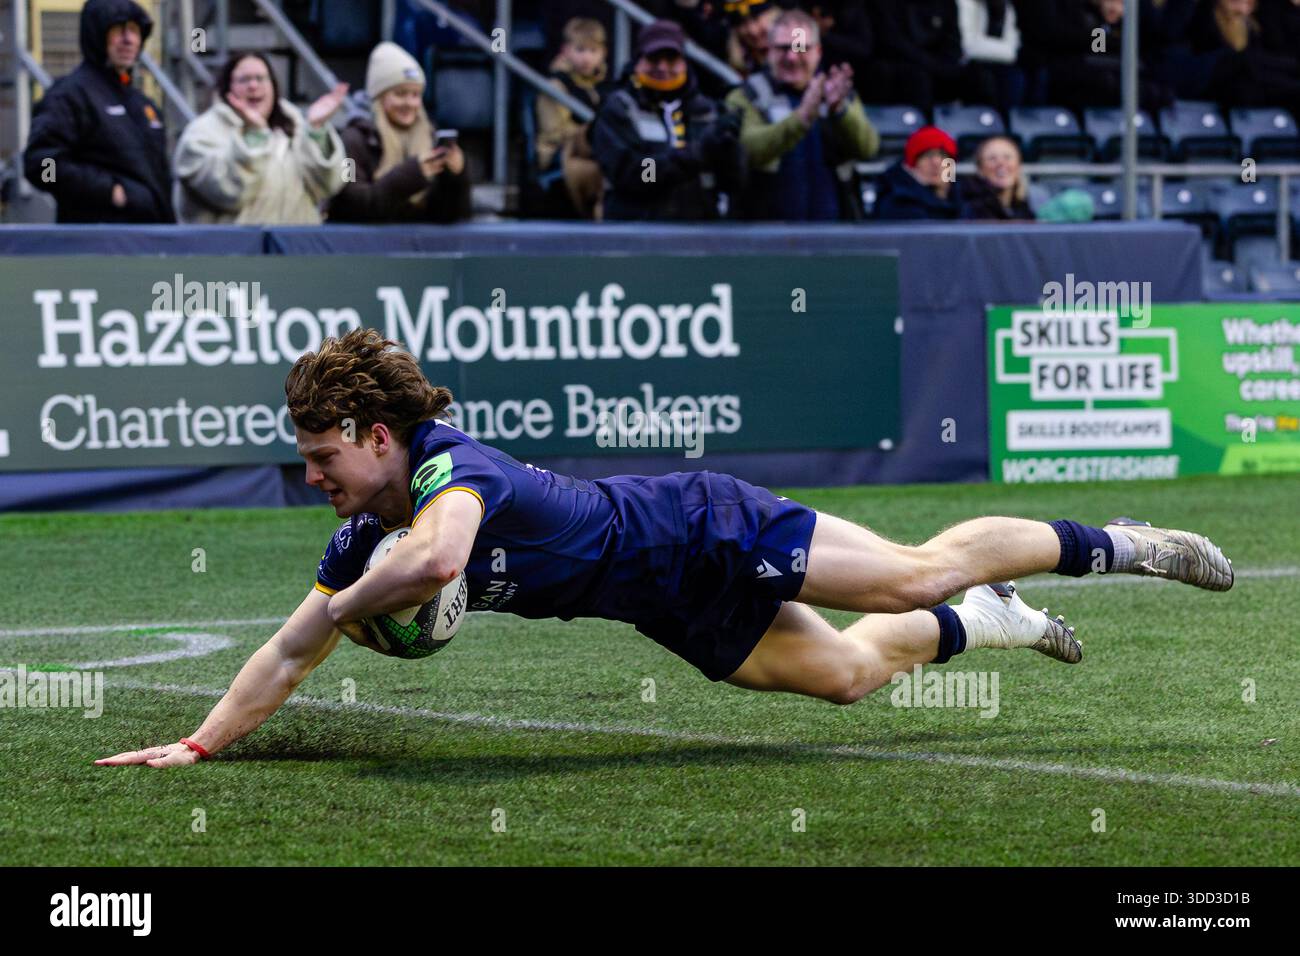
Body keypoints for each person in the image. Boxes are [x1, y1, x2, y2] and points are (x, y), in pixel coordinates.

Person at [95, 328, 1234, 768]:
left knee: (912, 564)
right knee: (843, 675)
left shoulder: (451, 469)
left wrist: (353, 605)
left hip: (697, 524)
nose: (312, 477)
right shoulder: (360, 533)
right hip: (655, 603)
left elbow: (438, 563)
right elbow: (288, 650)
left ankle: (1118, 544)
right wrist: (199, 743)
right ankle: (984, 621)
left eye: (319, 456)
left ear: (376, 435)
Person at [22, 0, 174, 223]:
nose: (128, 40)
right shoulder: (70, 96)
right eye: (117, 30)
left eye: (134, 30)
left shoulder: (143, 104)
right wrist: (109, 192)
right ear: (96, 35)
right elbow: (41, 165)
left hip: (151, 241)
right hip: (97, 244)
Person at [726, 8, 878, 220]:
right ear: (768, 50)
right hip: (766, 235)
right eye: (782, 48)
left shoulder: (838, 93)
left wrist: (840, 112)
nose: (792, 57)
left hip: (834, 232)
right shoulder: (746, 95)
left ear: (818, 51)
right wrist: (801, 118)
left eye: (801, 48)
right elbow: (746, 149)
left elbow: (868, 148)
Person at [590, 19, 745, 221]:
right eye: (654, 59)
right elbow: (639, 176)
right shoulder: (618, 108)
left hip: (699, 233)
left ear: (684, 63)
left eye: (671, 59)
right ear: (638, 60)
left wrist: (731, 148)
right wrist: (697, 153)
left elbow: (734, 183)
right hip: (637, 232)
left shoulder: (706, 111)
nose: (663, 67)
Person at [173, 52, 348, 224]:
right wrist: (254, 137)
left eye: (261, 78)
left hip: (297, 249)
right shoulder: (202, 133)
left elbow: (329, 186)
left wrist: (316, 130)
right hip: (233, 251)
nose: (254, 86)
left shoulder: (296, 126)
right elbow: (228, 192)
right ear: (226, 88)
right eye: (244, 80)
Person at [327, 42, 470, 224]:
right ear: (380, 96)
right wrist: (413, 173)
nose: (409, 103)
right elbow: (350, 204)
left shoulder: (430, 137)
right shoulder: (352, 140)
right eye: (400, 94)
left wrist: (457, 175)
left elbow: (451, 216)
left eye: (415, 95)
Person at [534, 17, 609, 220]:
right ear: (566, 51)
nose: (586, 58)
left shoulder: (607, 86)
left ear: (604, 54)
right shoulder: (556, 86)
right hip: (561, 153)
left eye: (593, 51)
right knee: (601, 174)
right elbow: (554, 132)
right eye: (580, 50)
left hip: (599, 152)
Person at [873, 125, 963, 219]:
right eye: (927, 156)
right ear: (911, 167)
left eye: (943, 156)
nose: (936, 163)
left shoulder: (961, 198)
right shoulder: (898, 205)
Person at [961, 135, 1035, 219]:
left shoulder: (1027, 207)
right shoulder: (968, 209)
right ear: (980, 169)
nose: (1001, 163)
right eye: (992, 158)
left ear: (1019, 165)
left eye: (1007, 157)